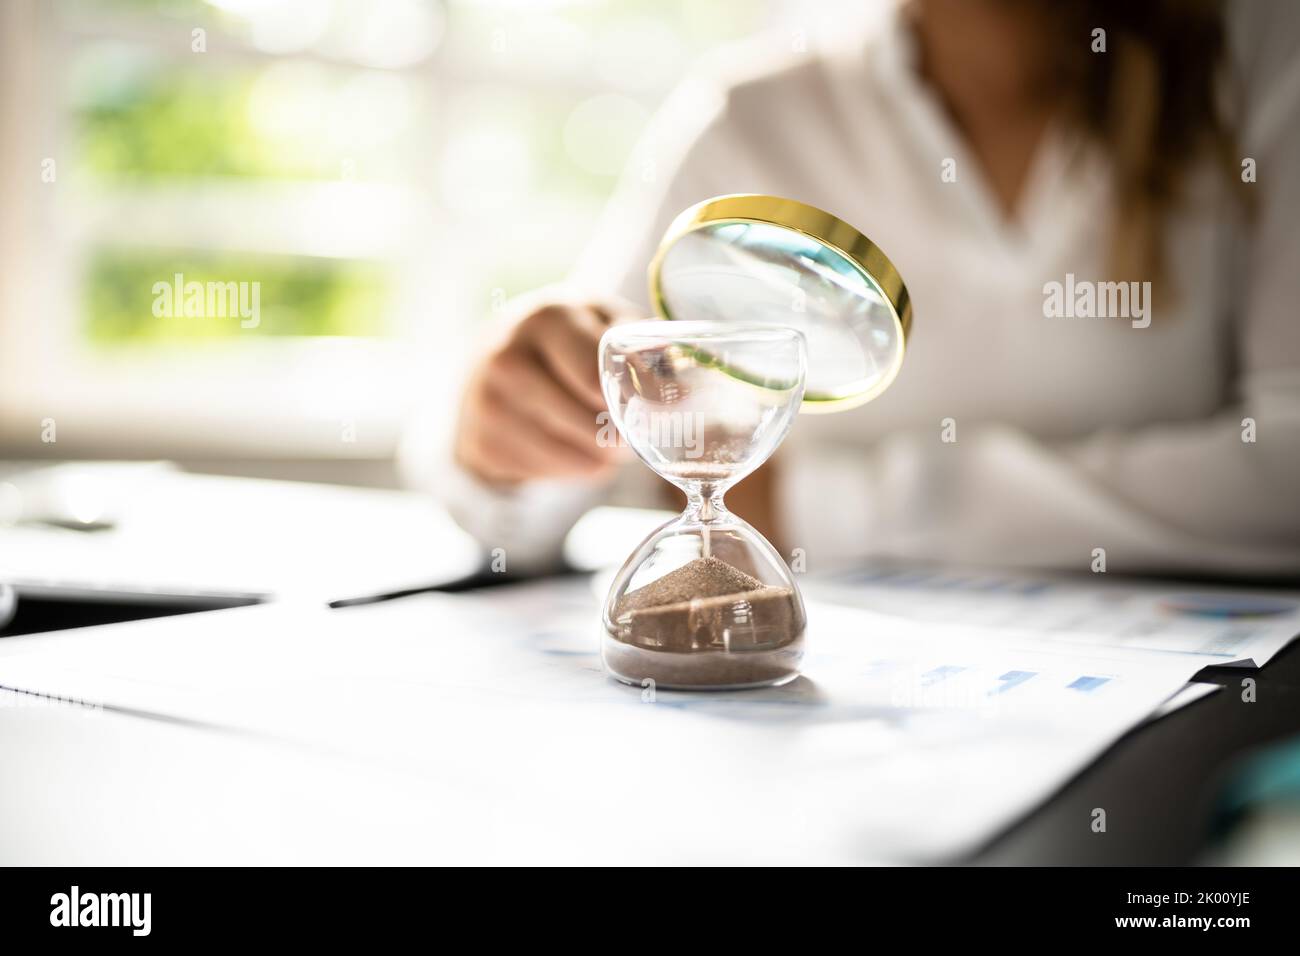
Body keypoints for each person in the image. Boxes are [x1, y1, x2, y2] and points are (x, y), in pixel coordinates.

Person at [416, 0, 1300, 578]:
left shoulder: (1265, 56)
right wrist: (502, 421)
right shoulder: (750, 115)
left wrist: (804, 505)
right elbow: (521, 506)